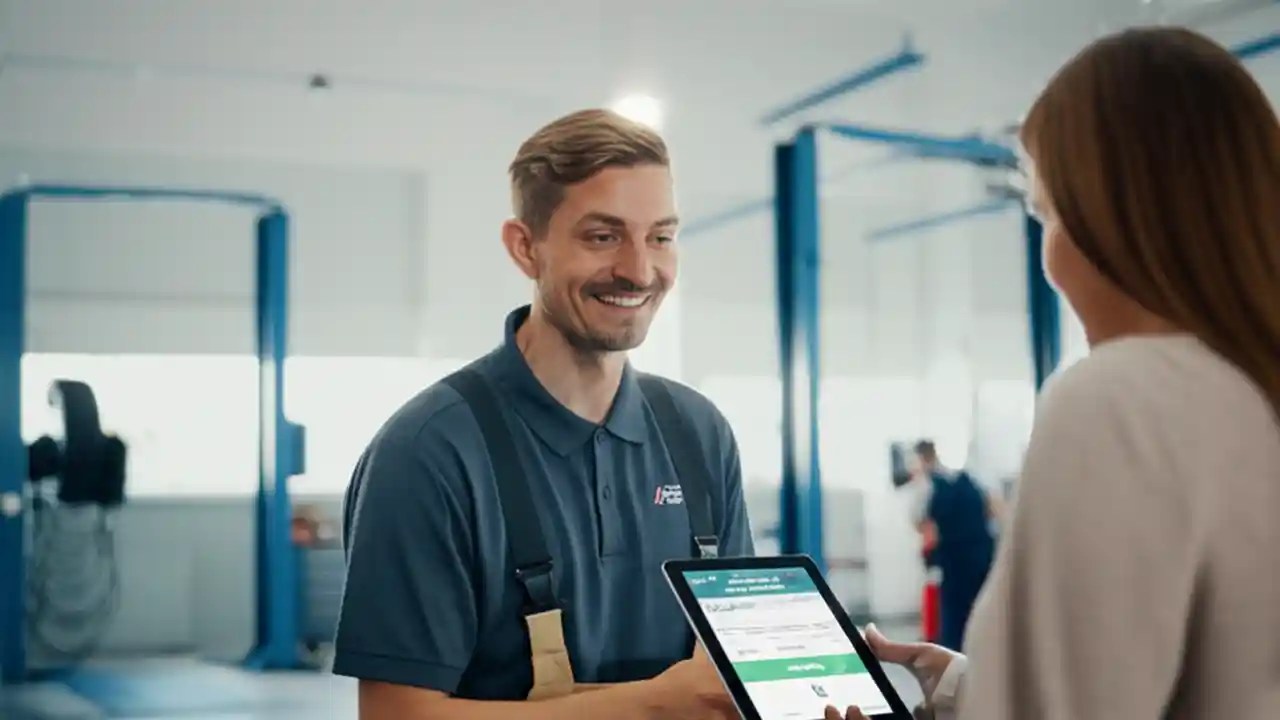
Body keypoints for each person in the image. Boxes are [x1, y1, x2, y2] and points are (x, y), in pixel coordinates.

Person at [828, 27, 1280, 720]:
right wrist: (963, 688)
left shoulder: (1124, 398)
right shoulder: (1248, 396)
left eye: (1047, 214)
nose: (1051, 260)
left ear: (1112, 217)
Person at [333, 109, 753, 719]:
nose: (640, 270)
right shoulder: (430, 452)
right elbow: (397, 716)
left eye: (660, 236)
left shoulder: (699, 433)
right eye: (603, 236)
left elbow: (736, 667)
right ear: (525, 247)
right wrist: (653, 707)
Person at [905, 440, 997, 652]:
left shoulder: (926, 485)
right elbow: (993, 508)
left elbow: (922, 524)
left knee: (953, 615)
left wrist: (929, 556)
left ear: (921, 458)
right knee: (981, 608)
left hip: (953, 559)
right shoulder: (969, 479)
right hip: (982, 554)